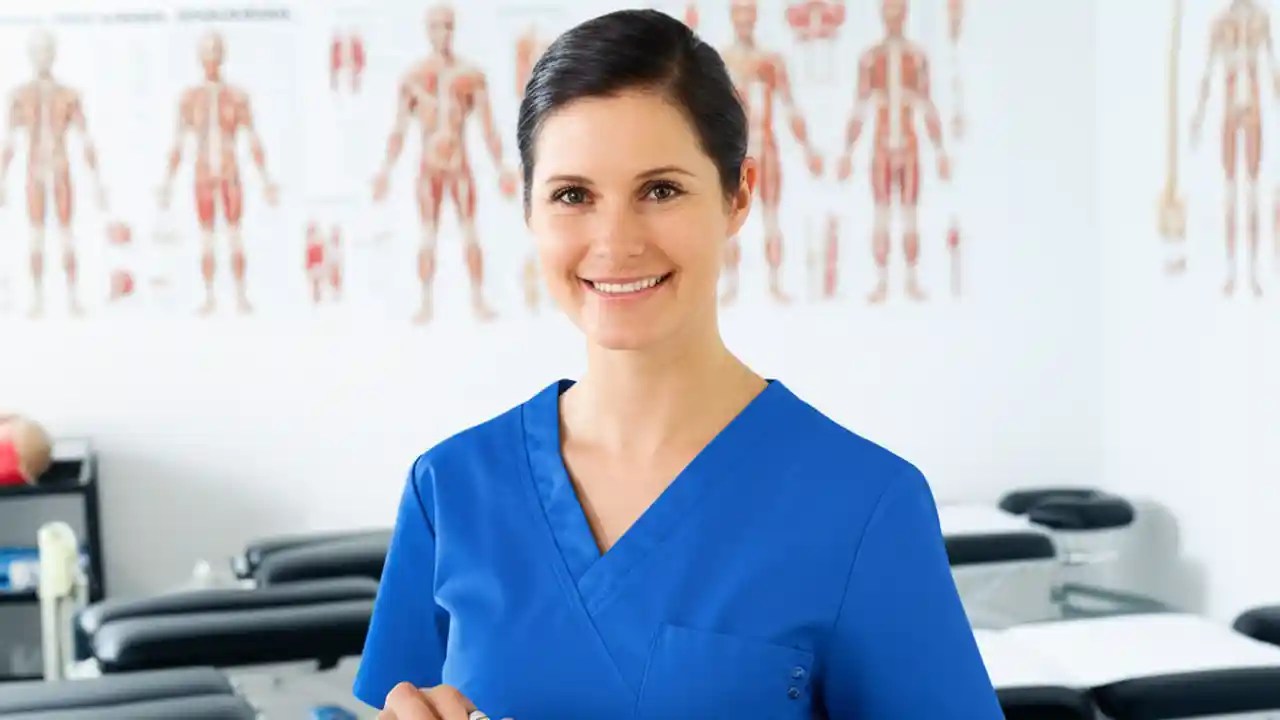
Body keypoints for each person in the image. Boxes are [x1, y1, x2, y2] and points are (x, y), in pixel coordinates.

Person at [353, 9, 1002, 719]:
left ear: (738, 194)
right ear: (530, 209)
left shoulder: (865, 506)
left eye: (660, 190)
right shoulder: (451, 489)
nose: (615, 242)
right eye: (573, 195)